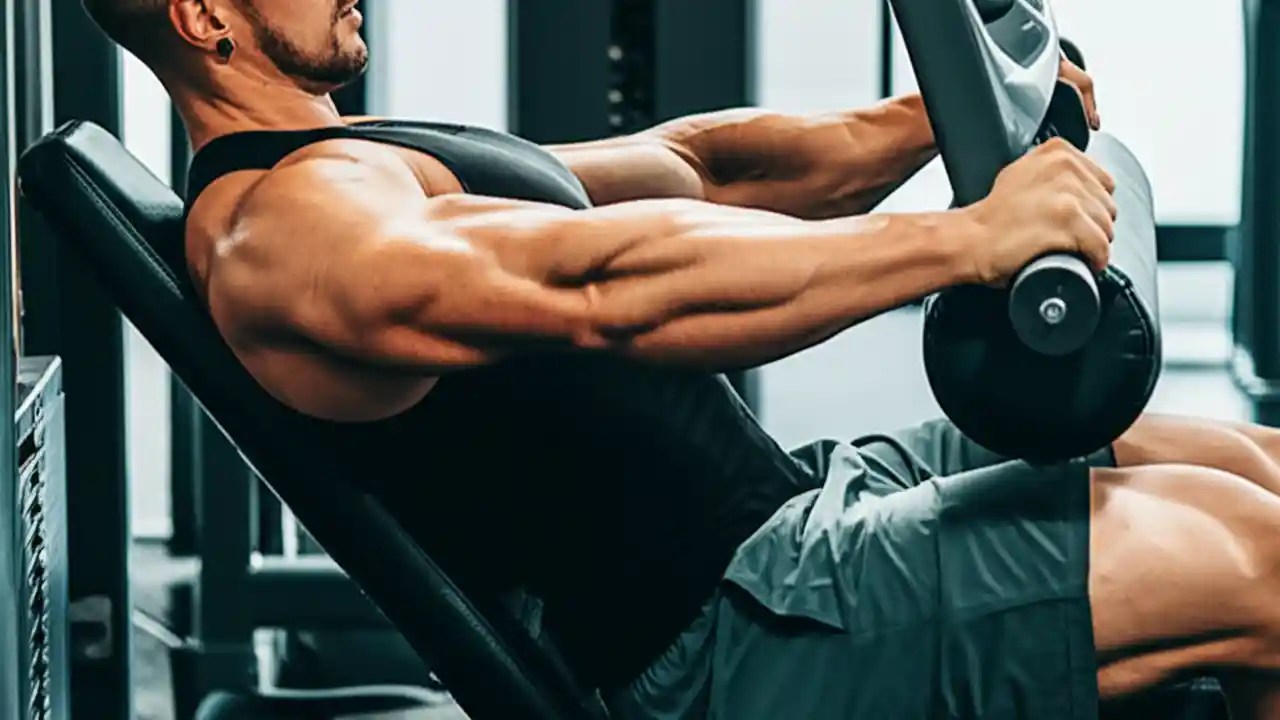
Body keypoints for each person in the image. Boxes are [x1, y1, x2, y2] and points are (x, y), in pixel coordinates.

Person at [84, 1, 1280, 719]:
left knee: (1258, 472)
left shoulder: (358, 159)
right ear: (205, 16)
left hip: (798, 519)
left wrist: (942, 117)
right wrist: (960, 242)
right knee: (1261, 563)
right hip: (733, 643)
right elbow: (599, 290)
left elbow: (708, 170)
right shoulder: (281, 233)